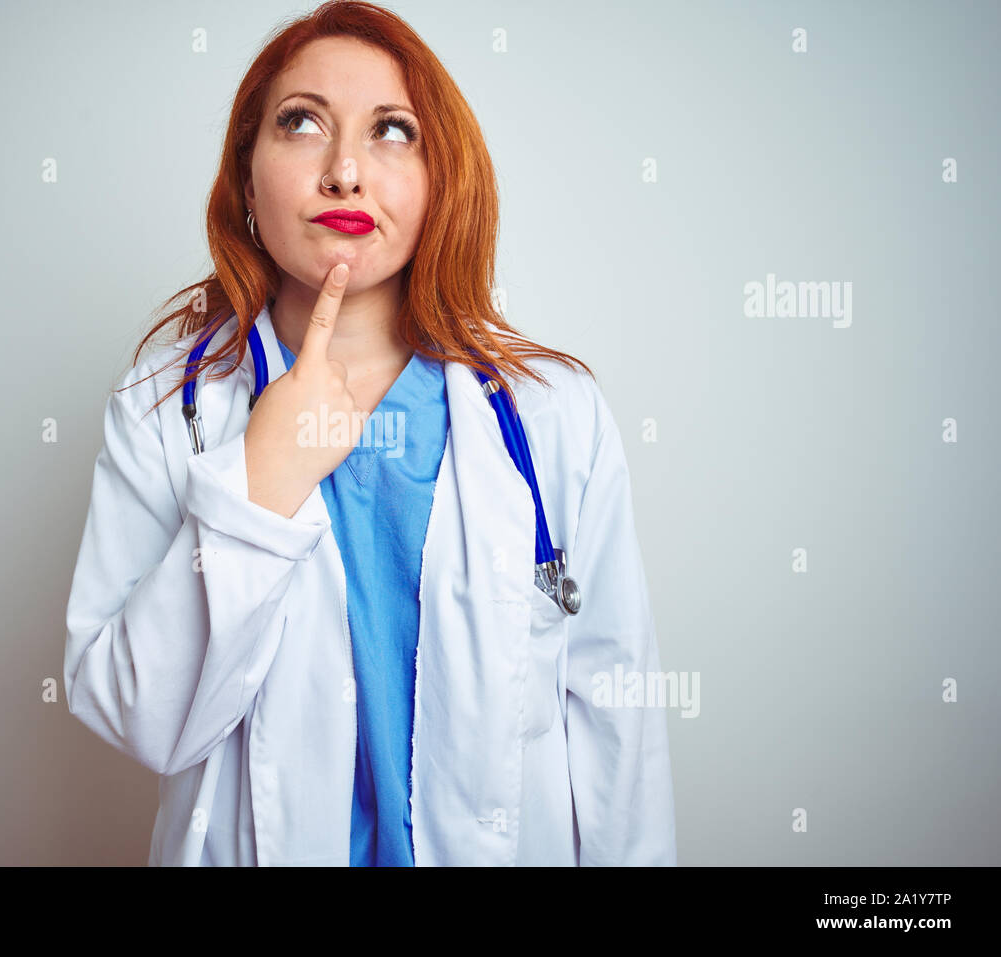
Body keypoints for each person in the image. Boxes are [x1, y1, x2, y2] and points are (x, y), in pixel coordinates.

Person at [63, 0, 677, 866]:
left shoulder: (552, 415)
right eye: (302, 122)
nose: (345, 170)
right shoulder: (169, 405)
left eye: (393, 131)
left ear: (438, 181)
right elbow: (138, 716)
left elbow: (618, 729)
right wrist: (261, 480)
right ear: (246, 179)